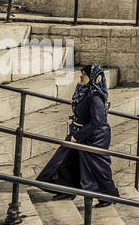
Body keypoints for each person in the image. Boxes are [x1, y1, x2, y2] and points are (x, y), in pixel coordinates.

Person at [37, 64, 120, 206]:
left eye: (84, 75)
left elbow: (97, 122)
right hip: (79, 132)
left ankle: (108, 196)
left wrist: (79, 136)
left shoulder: (95, 96)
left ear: (92, 78)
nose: (81, 77)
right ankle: (66, 188)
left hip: (95, 137)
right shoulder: (83, 91)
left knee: (97, 167)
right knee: (65, 159)